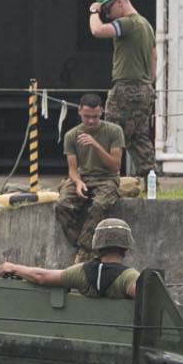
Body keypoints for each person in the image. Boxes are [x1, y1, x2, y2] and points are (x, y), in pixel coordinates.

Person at [87, 0, 157, 180]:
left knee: (109, 136)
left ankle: (99, 180)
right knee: (139, 138)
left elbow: (98, 31)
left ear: (119, 2)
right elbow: (154, 58)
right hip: (144, 89)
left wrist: (93, 11)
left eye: (107, 10)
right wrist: (147, 85)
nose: (107, 15)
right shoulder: (146, 25)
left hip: (126, 89)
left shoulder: (129, 23)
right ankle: (150, 182)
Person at [54, 92, 126, 261]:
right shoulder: (71, 135)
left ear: (101, 111)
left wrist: (96, 145)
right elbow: (72, 169)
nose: (91, 121)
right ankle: (85, 248)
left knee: (100, 205)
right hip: (84, 177)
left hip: (106, 178)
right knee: (62, 204)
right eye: (87, 117)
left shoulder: (114, 131)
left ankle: (84, 253)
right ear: (79, 112)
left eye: (95, 116)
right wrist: (78, 182)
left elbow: (115, 165)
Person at [0, 217, 142, 299]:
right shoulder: (129, 278)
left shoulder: (81, 272)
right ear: (126, 246)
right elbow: (147, 299)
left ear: (97, 244)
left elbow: (42, 276)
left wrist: (14, 268)